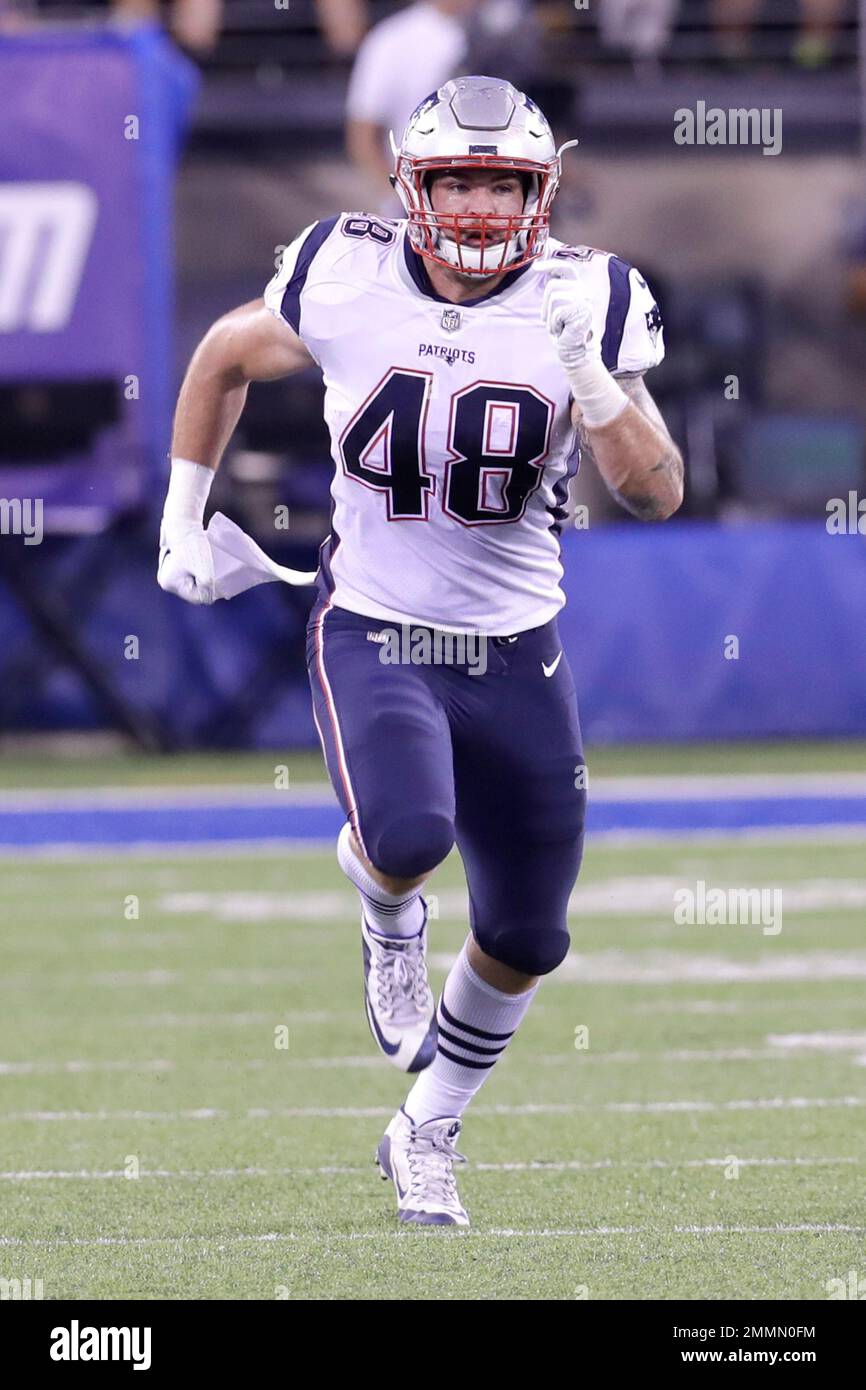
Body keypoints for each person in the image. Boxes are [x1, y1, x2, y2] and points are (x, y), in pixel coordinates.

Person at [157, 75, 683, 1228]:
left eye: (504, 181)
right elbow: (221, 357)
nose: (483, 206)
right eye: (459, 179)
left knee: (528, 933)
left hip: (517, 646)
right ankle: (387, 908)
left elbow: (655, 492)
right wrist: (181, 515)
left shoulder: (587, 297)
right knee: (404, 835)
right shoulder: (343, 273)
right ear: (410, 185)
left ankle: (425, 1129)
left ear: (541, 189)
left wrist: (595, 389)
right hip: (375, 626)